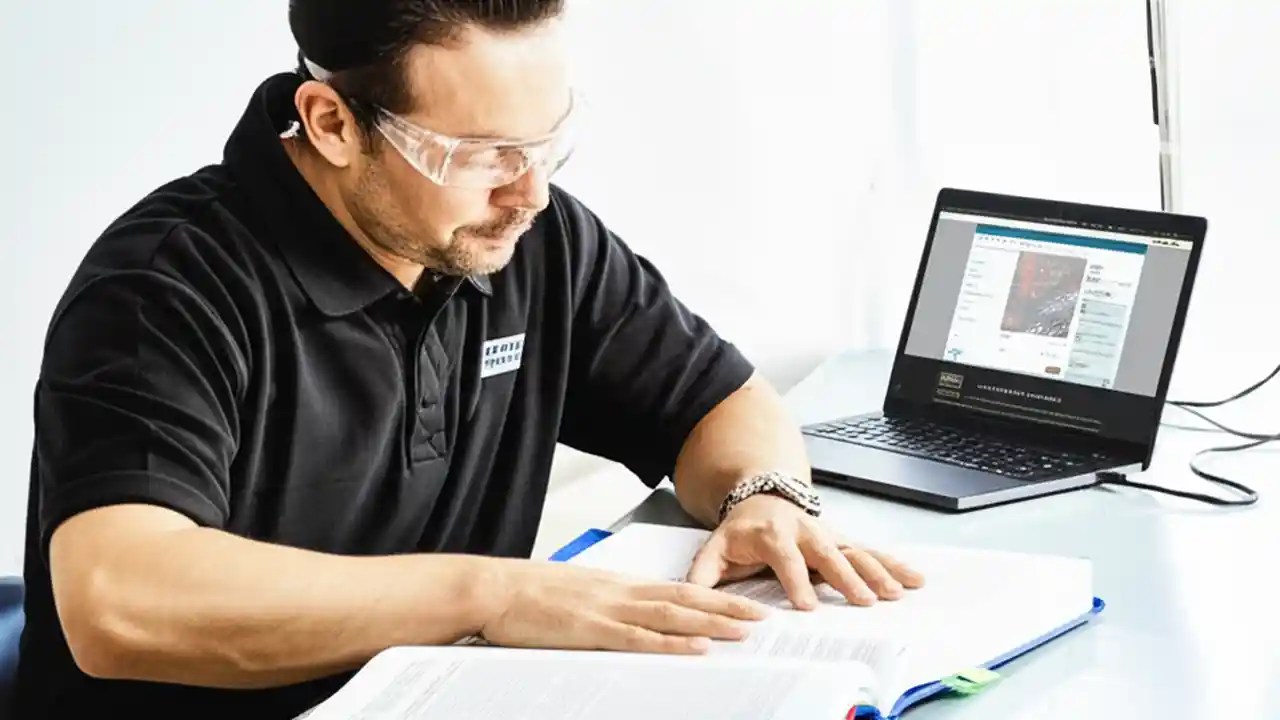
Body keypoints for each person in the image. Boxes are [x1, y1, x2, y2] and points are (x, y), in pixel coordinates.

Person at [15, 1, 924, 717]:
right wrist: (487, 595)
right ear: (331, 121)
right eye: (482, 153)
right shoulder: (163, 288)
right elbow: (120, 601)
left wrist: (762, 494)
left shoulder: (528, 240)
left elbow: (713, 401)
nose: (530, 192)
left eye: (546, 141)